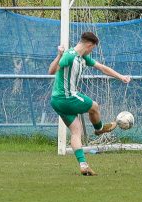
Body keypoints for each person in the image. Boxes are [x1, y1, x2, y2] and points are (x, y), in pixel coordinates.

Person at [47, 31, 131, 176]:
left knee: (76, 131)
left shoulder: (82, 57)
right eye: (93, 47)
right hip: (67, 97)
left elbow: (102, 67)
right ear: (88, 44)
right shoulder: (69, 56)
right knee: (94, 106)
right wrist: (60, 55)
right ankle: (99, 129)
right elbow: (52, 71)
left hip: (57, 101)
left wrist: (120, 76)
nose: (92, 50)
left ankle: (83, 165)